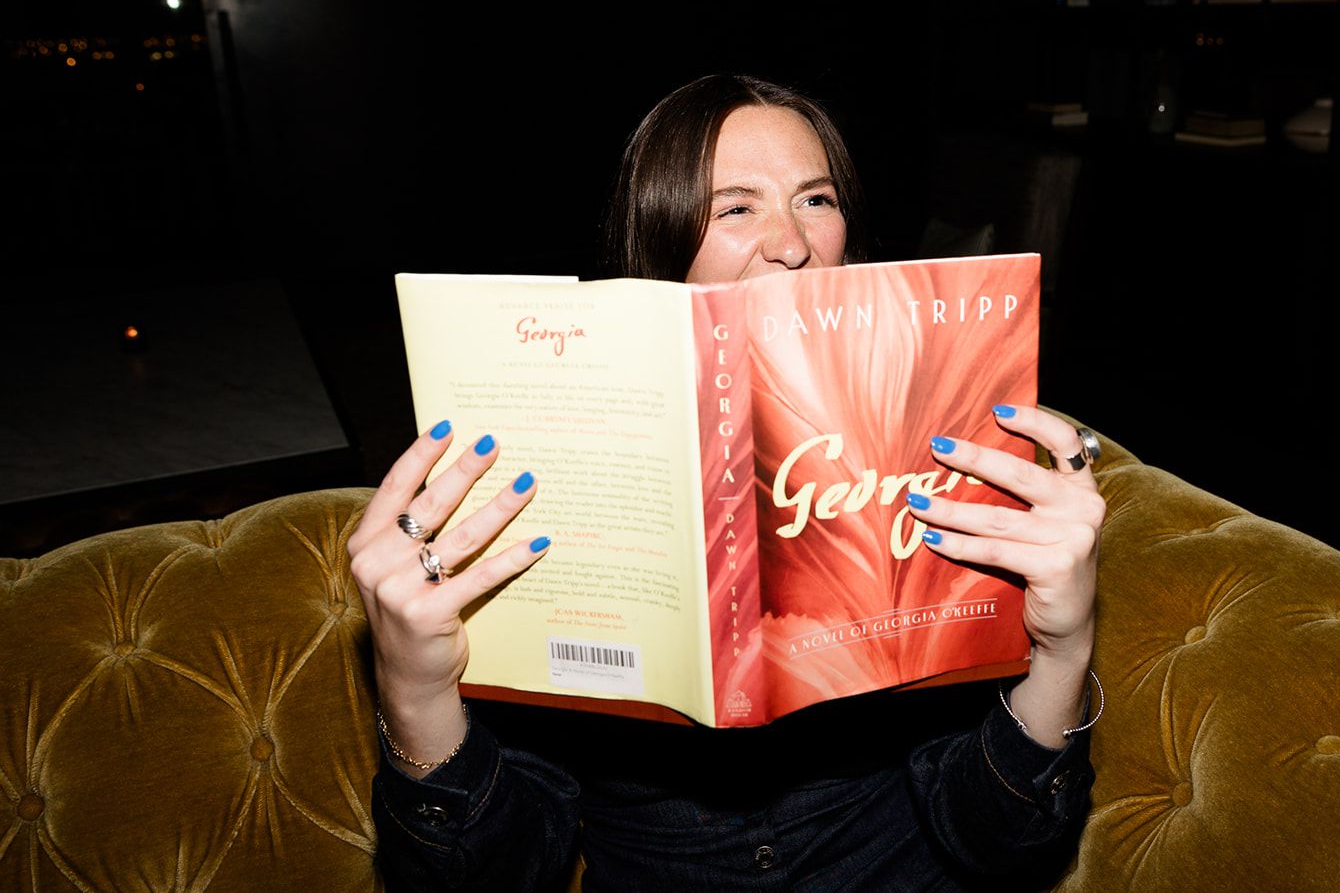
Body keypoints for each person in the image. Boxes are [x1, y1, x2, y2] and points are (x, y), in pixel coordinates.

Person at [349, 74, 1104, 892]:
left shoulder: (932, 438)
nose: (789, 241)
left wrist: (1060, 654)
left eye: (815, 198)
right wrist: (416, 694)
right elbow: (495, 877)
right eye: (736, 206)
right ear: (660, 230)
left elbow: (1001, 845)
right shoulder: (552, 458)